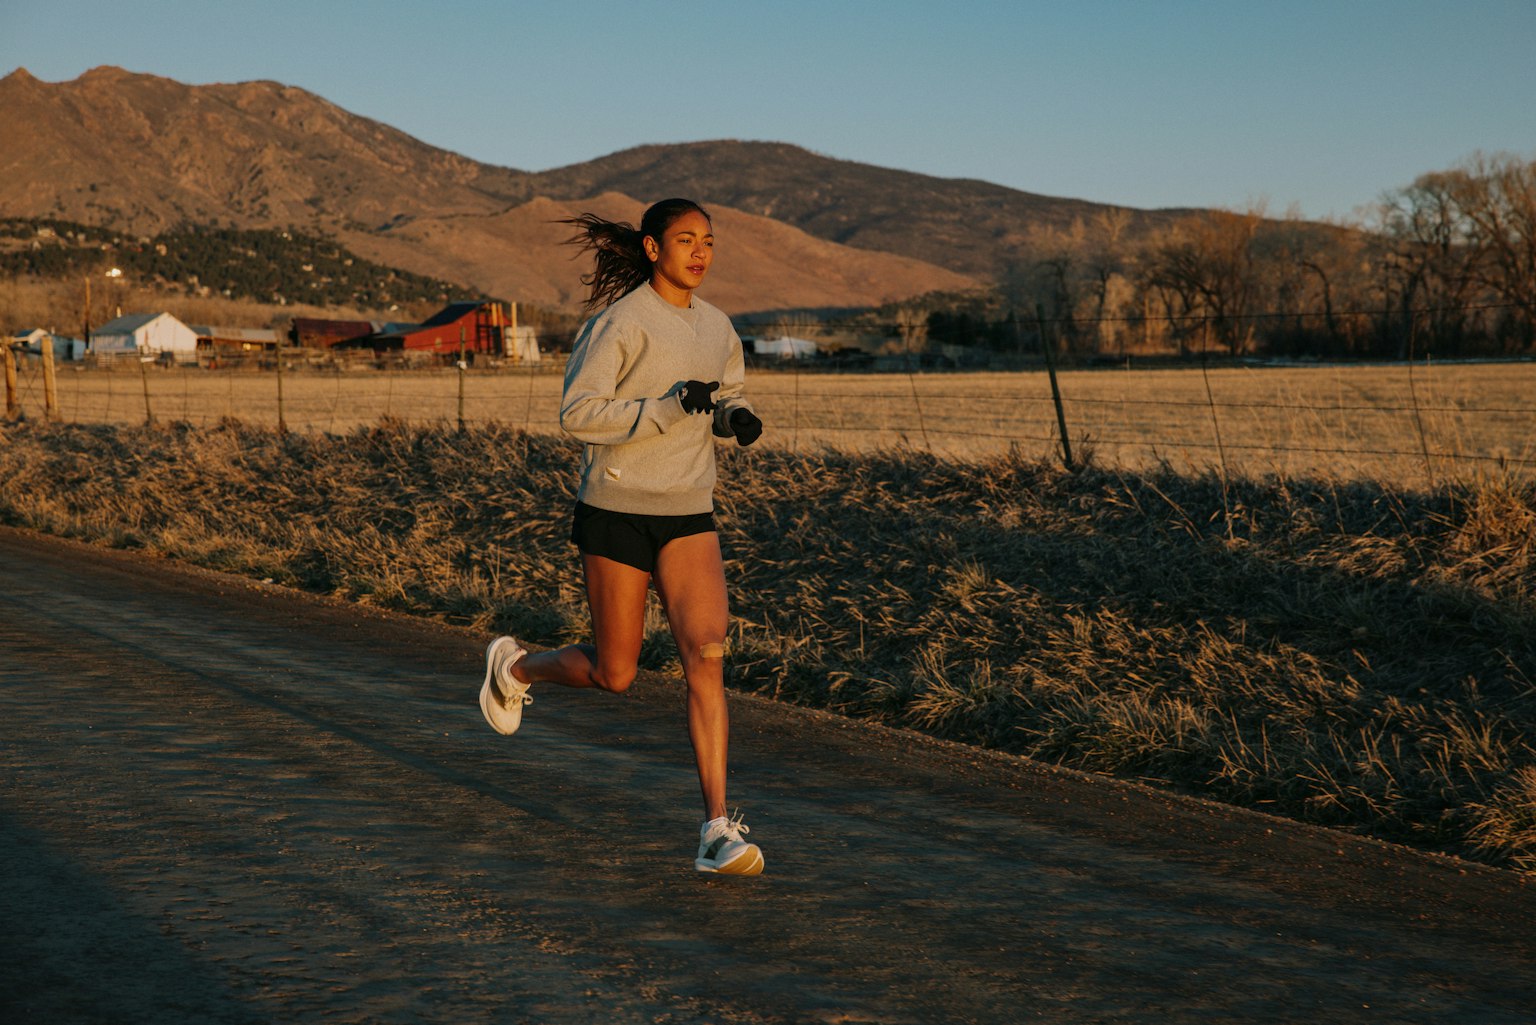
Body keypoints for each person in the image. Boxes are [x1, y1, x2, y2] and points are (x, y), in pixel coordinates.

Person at [479, 198, 766, 876]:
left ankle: (717, 829)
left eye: (709, 241)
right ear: (651, 248)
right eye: (686, 240)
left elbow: (724, 392)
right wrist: (666, 408)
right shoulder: (619, 323)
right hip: (616, 508)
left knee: (707, 652)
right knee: (618, 672)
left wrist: (736, 416)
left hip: (689, 509)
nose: (700, 252)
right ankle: (515, 667)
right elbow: (578, 413)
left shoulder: (719, 326)